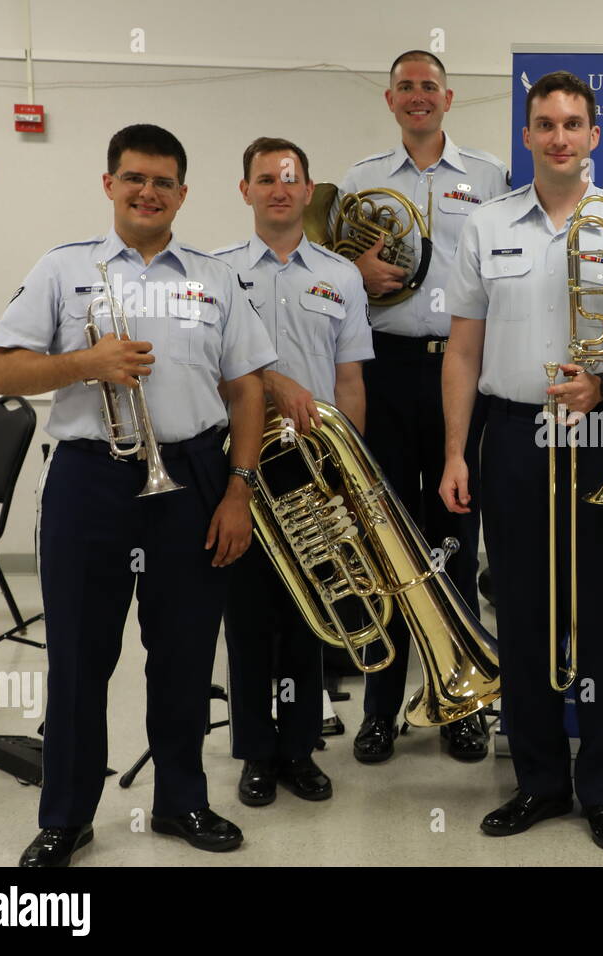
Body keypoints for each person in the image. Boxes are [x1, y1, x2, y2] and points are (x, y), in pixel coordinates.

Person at [0, 124, 276, 867]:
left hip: (195, 478)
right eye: (134, 178)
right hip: (92, 476)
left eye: (164, 182)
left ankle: (182, 801)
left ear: (183, 192)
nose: (148, 192)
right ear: (109, 184)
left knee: (181, 653)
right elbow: (0, 373)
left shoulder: (213, 277)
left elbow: (246, 392)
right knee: (81, 654)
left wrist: (239, 491)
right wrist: (87, 361)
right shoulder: (63, 268)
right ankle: (68, 816)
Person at [440, 71, 603, 850]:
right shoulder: (483, 226)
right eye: (544, 123)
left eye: (573, 123)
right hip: (510, 434)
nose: (558, 136)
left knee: (598, 620)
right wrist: (455, 449)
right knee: (521, 616)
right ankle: (539, 784)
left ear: (594, 136)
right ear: (526, 135)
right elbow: (463, 348)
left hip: (598, 437)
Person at [332, 50, 508, 763]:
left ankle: (461, 698)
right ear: (390, 98)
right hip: (386, 371)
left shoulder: (492, 176)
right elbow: (321, 273)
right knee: (383, 541)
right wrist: (355, 271)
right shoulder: (359, 179)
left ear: (448, 96)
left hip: (463, 372)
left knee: (454, 543)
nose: (417, 96)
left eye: (428, 86)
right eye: (405, 86)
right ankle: (381, 709)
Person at [214, 137, 373, 808]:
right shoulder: (215, 272)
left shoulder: (342, 277)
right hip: (241, 468)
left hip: (313, 471)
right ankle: (255, 751)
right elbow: (208, 370)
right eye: (265, 179)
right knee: (250, 619)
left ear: (308, 192)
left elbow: (349, 378)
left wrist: (352, 473)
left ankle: (300, 748)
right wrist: (270, 382)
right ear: (245, 191)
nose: (279, 189)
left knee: (312, 617)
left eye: (291, 179)